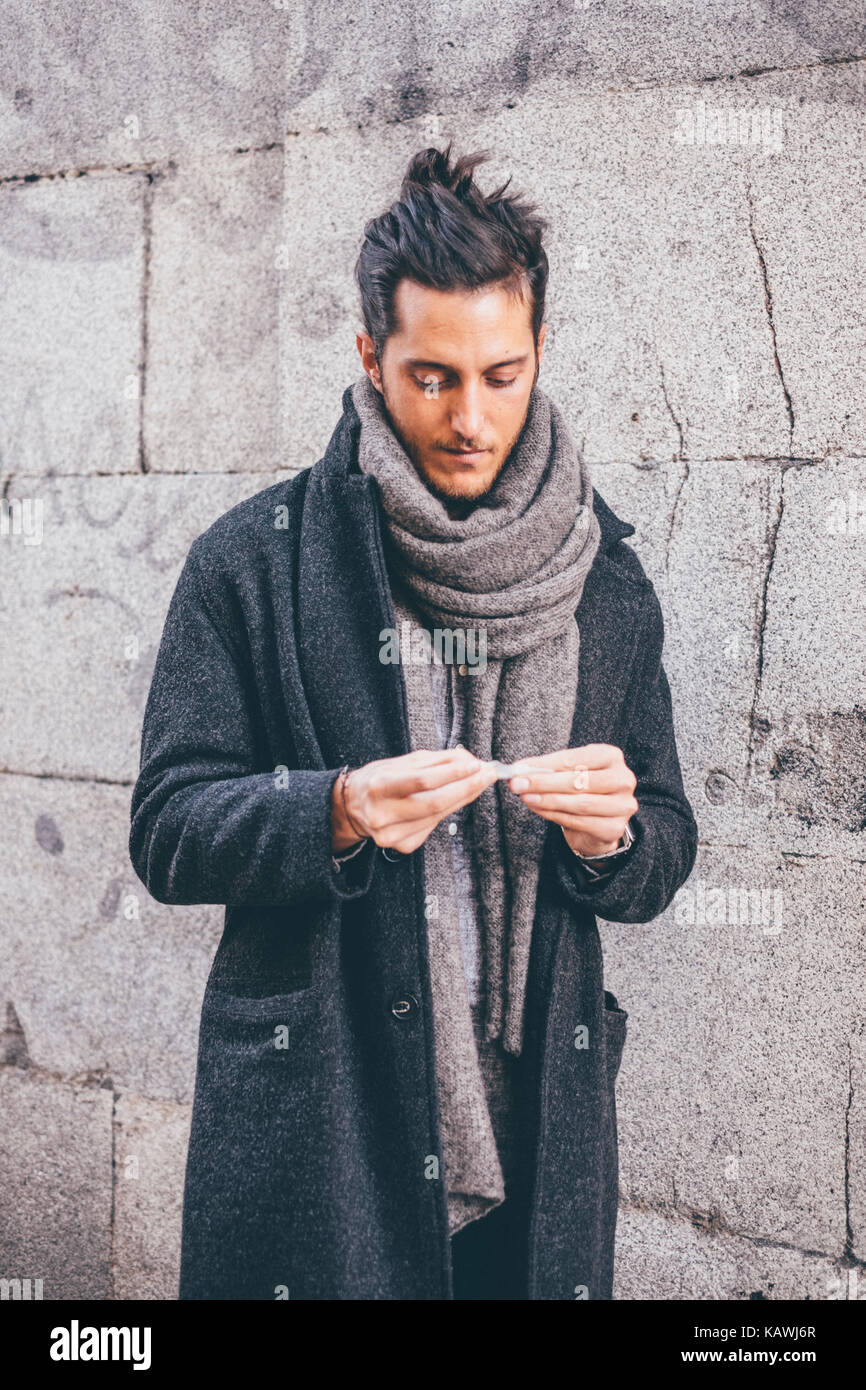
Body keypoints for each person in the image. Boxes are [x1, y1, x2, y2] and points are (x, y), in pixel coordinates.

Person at [129, 142, 698, 1300]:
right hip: (328, 1124)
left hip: (537, 1122)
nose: (469, 416)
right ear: (368, 358)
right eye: (431, 375)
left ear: (538, 354)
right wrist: (330, 810)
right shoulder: (254, 562)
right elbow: (167, 828)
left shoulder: (607, 581)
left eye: (500, 373)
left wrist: (614, 839)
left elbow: (665, 839)